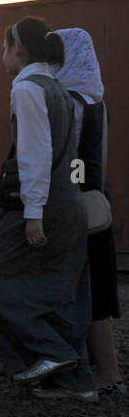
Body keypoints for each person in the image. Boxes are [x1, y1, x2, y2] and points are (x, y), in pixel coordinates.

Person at [0, 17, 96, 400]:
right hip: (68, 202)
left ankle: (50, 354)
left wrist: (32, 214)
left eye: (3, 47)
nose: (2, 56)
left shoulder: (26, 88)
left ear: (19, 50)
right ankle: (77, 383)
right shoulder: (59, 87)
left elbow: (35, 154)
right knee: (61, 290)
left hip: (44, 204)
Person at [56, 28, 120, 394]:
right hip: (98, 200)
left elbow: (68, 158)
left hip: (78, 204)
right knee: (97, 286)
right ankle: (104, 371)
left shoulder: (71, 103)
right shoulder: (97, 101)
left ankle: (103, 374)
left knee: (83, 287)